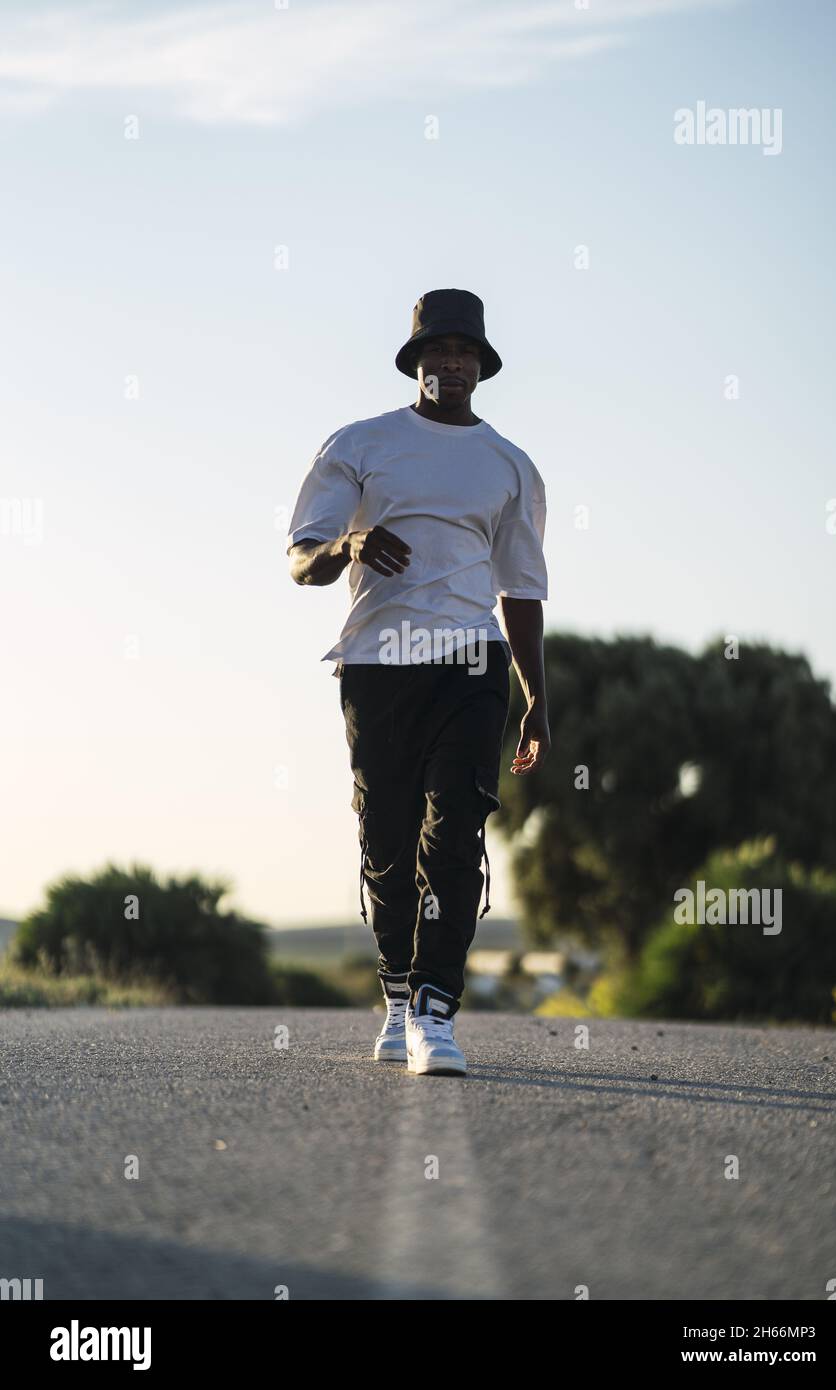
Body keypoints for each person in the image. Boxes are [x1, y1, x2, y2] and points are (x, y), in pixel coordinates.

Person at [287, 288, 550, 1076]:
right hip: (376, 665)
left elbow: (523, 591)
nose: (451, 363)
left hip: (472, 661)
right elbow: (301, 561)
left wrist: (538, 699)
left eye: (464, 352)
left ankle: (437, 1011)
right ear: (416, 362)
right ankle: (397, 993)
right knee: (387, 841)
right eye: (437, 351)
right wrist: (352, 542)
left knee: (458, 829)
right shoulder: (360, 444)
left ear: (482, 366)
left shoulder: (511, 467)